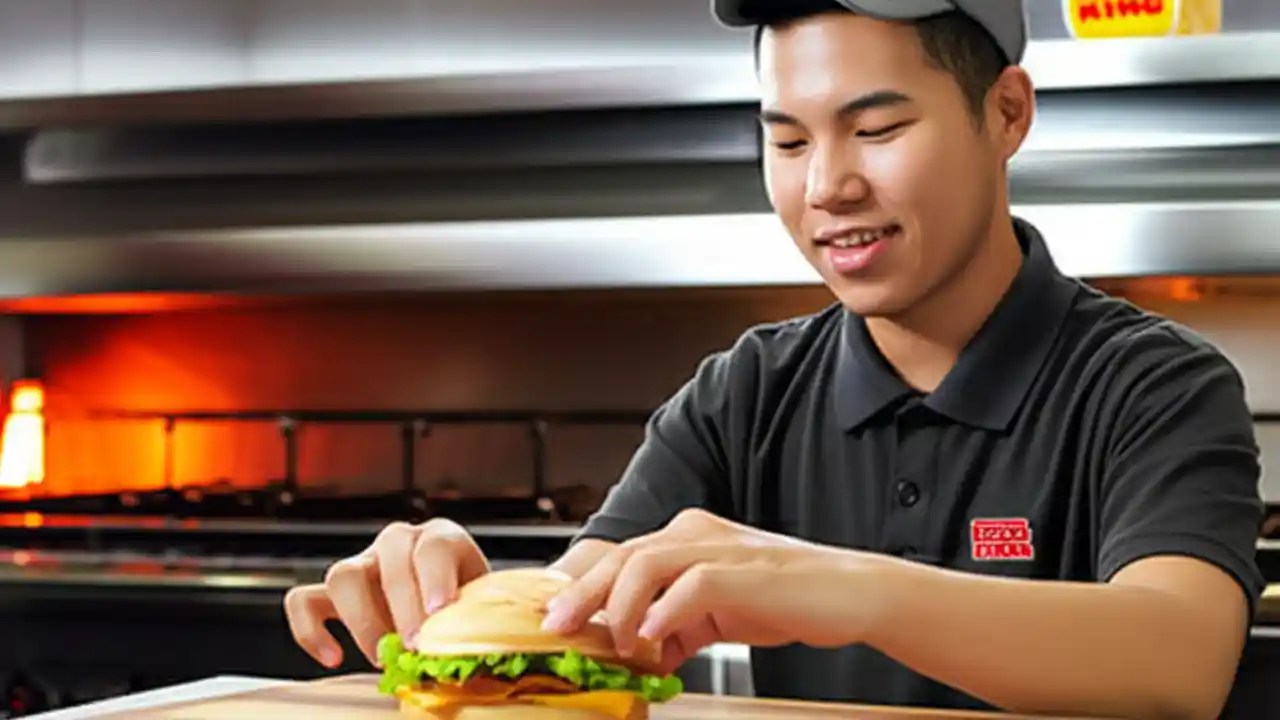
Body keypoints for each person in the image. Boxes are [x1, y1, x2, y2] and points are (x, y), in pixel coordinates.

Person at [284, 1, 1265, 718]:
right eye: (786, 140)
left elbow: (1176, 659)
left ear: (1006, 112)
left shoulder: (1152, 384)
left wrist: (849, 589)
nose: (826, 186)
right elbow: (590, 600)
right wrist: (468, 600)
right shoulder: (744, 391)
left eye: (876, 129)